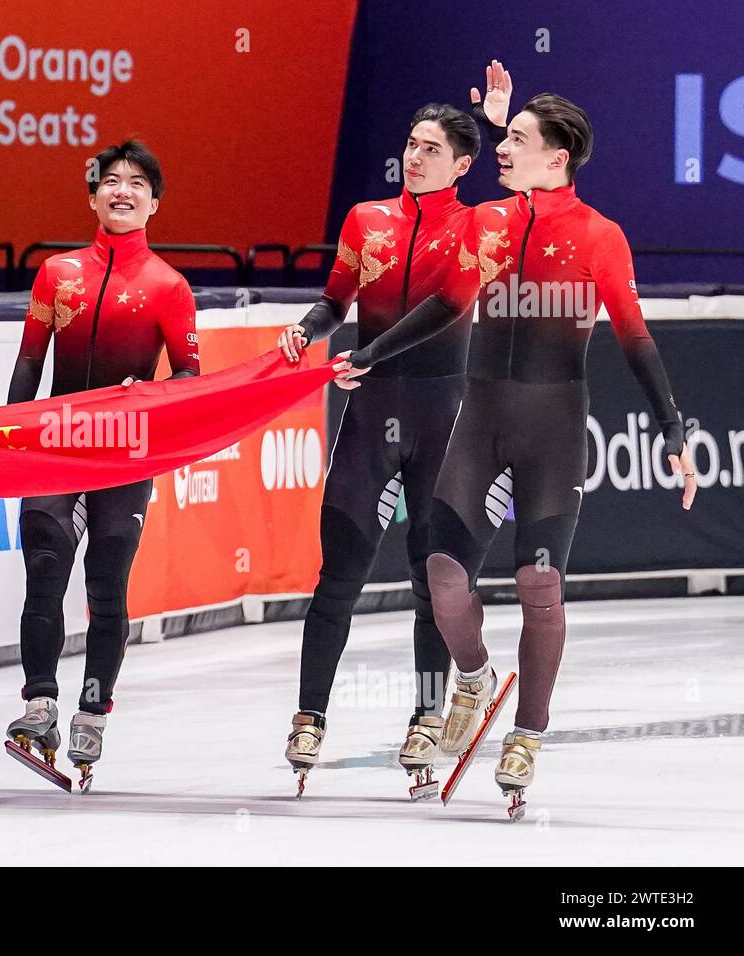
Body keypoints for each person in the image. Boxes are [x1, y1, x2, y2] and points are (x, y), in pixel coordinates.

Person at [335, 92, 697, 810]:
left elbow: (635, 339)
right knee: (441, 577)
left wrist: (673, 431)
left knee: (540, 586)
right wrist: (372, 352)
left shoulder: (600, 235)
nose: (503, 148)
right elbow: (445, 302)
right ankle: (473, 677)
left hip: (552, 432)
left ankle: (529, 730)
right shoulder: (489, 220)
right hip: (481, 423)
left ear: (556, 159)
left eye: (518, 140)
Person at [276, 102, 490, 796]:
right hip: (371, 412)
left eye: (432, 148)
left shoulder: (475, 225)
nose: (416, 155)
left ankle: (427, 715)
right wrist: (310, 329)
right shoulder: (367, 219)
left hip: (441, 414)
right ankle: (310, 714)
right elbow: (337, 296)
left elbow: (453, 306)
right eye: (411, 141)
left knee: (432, 577)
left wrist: (367, 351)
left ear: (462, 164)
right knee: (339, 570)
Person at [4, 140, 199, 789]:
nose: (122, 190)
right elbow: (31, 362)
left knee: (105, 584)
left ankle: (92, 706)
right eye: (110, 181)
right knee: (44, 564)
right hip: (57, 447)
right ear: (92, 197)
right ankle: (39, 704)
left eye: (136, 183)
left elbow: (190, 378)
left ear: (155, 203)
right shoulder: (57, 272)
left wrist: (151, 411)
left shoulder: (169, 287)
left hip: (124, 452)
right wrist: (12, 433)